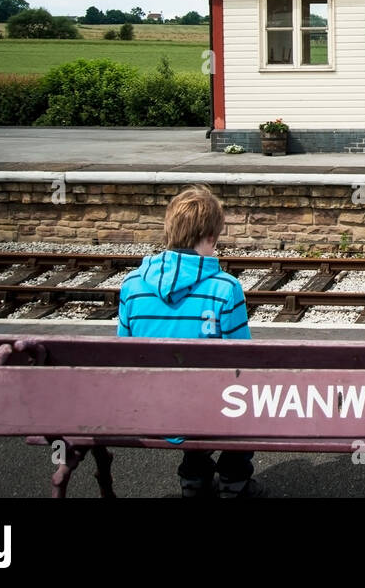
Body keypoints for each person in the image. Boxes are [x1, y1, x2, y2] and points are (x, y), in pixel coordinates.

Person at [117, 185, 262, 498]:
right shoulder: (226, 288)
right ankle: (234, 479)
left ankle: (194, 477)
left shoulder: (131, 284)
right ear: (210, 236)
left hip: (151, 408)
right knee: (244, 392)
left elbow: (123, 354)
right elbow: (243, 361)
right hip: (211, 410)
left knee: (186, 389)